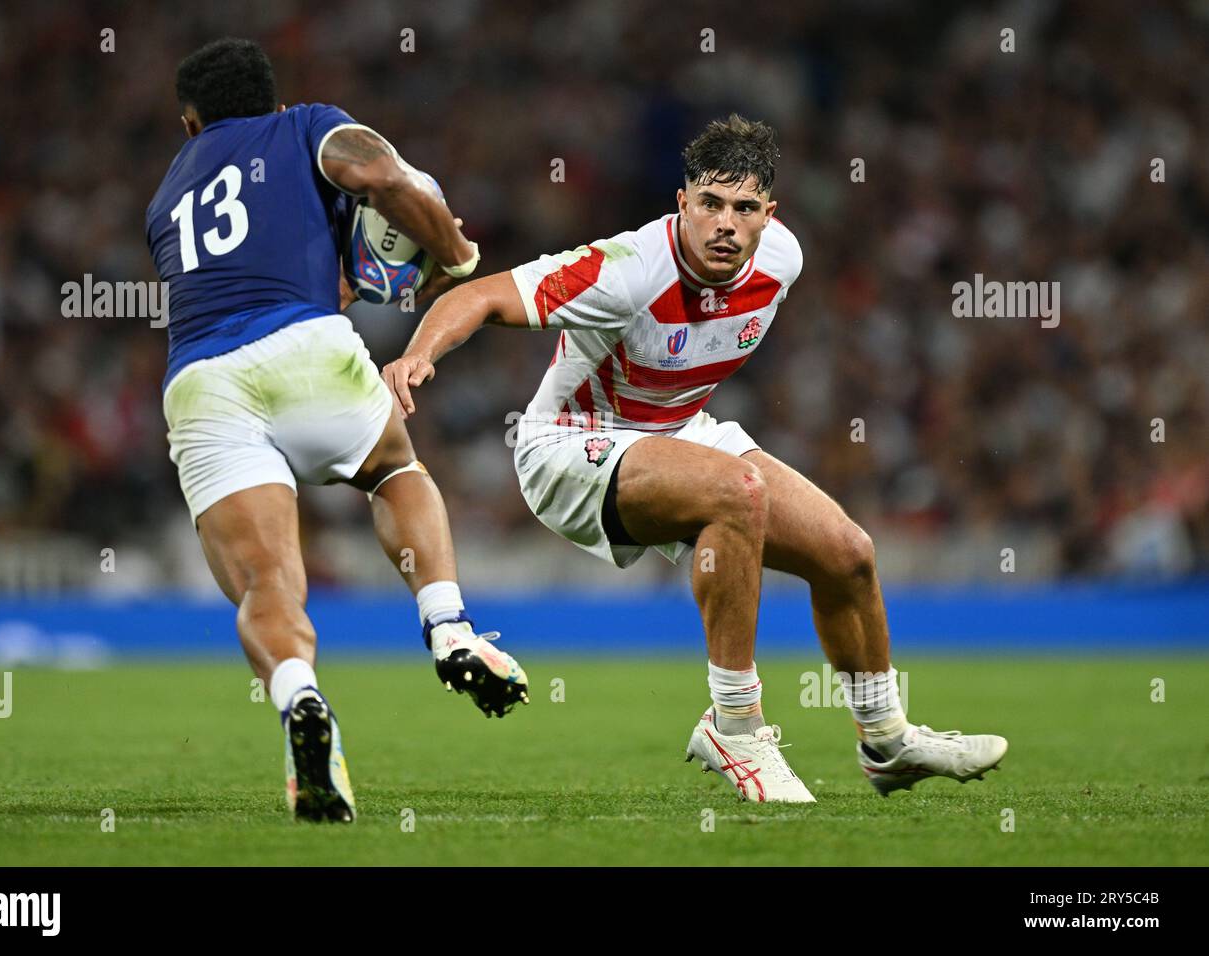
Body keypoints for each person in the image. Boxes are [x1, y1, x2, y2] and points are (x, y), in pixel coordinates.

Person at [382, 114, 1006, 803]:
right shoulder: (625, 270)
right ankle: (734, 727)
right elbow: (479, 294)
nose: (725, 225)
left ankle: (887, 740)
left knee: (848, 552)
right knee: (737, 491)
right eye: (709, 204)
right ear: (682, 203)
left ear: (770, 214)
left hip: (679, 432)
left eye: (743, 208)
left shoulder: (782, 261)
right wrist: (418, 355)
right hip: (569, 445)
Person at [144, 38, 528, 823]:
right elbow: (384, 177)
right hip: (305, 349)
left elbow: (247, 274)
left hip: (202, 378)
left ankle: (301, 699)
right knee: (392, 472)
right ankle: (449, 627)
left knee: (265, 584)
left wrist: (337, 278)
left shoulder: (163, 202)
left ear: (190, 126)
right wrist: (455, 253)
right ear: (275, 100)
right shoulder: (303, 127)